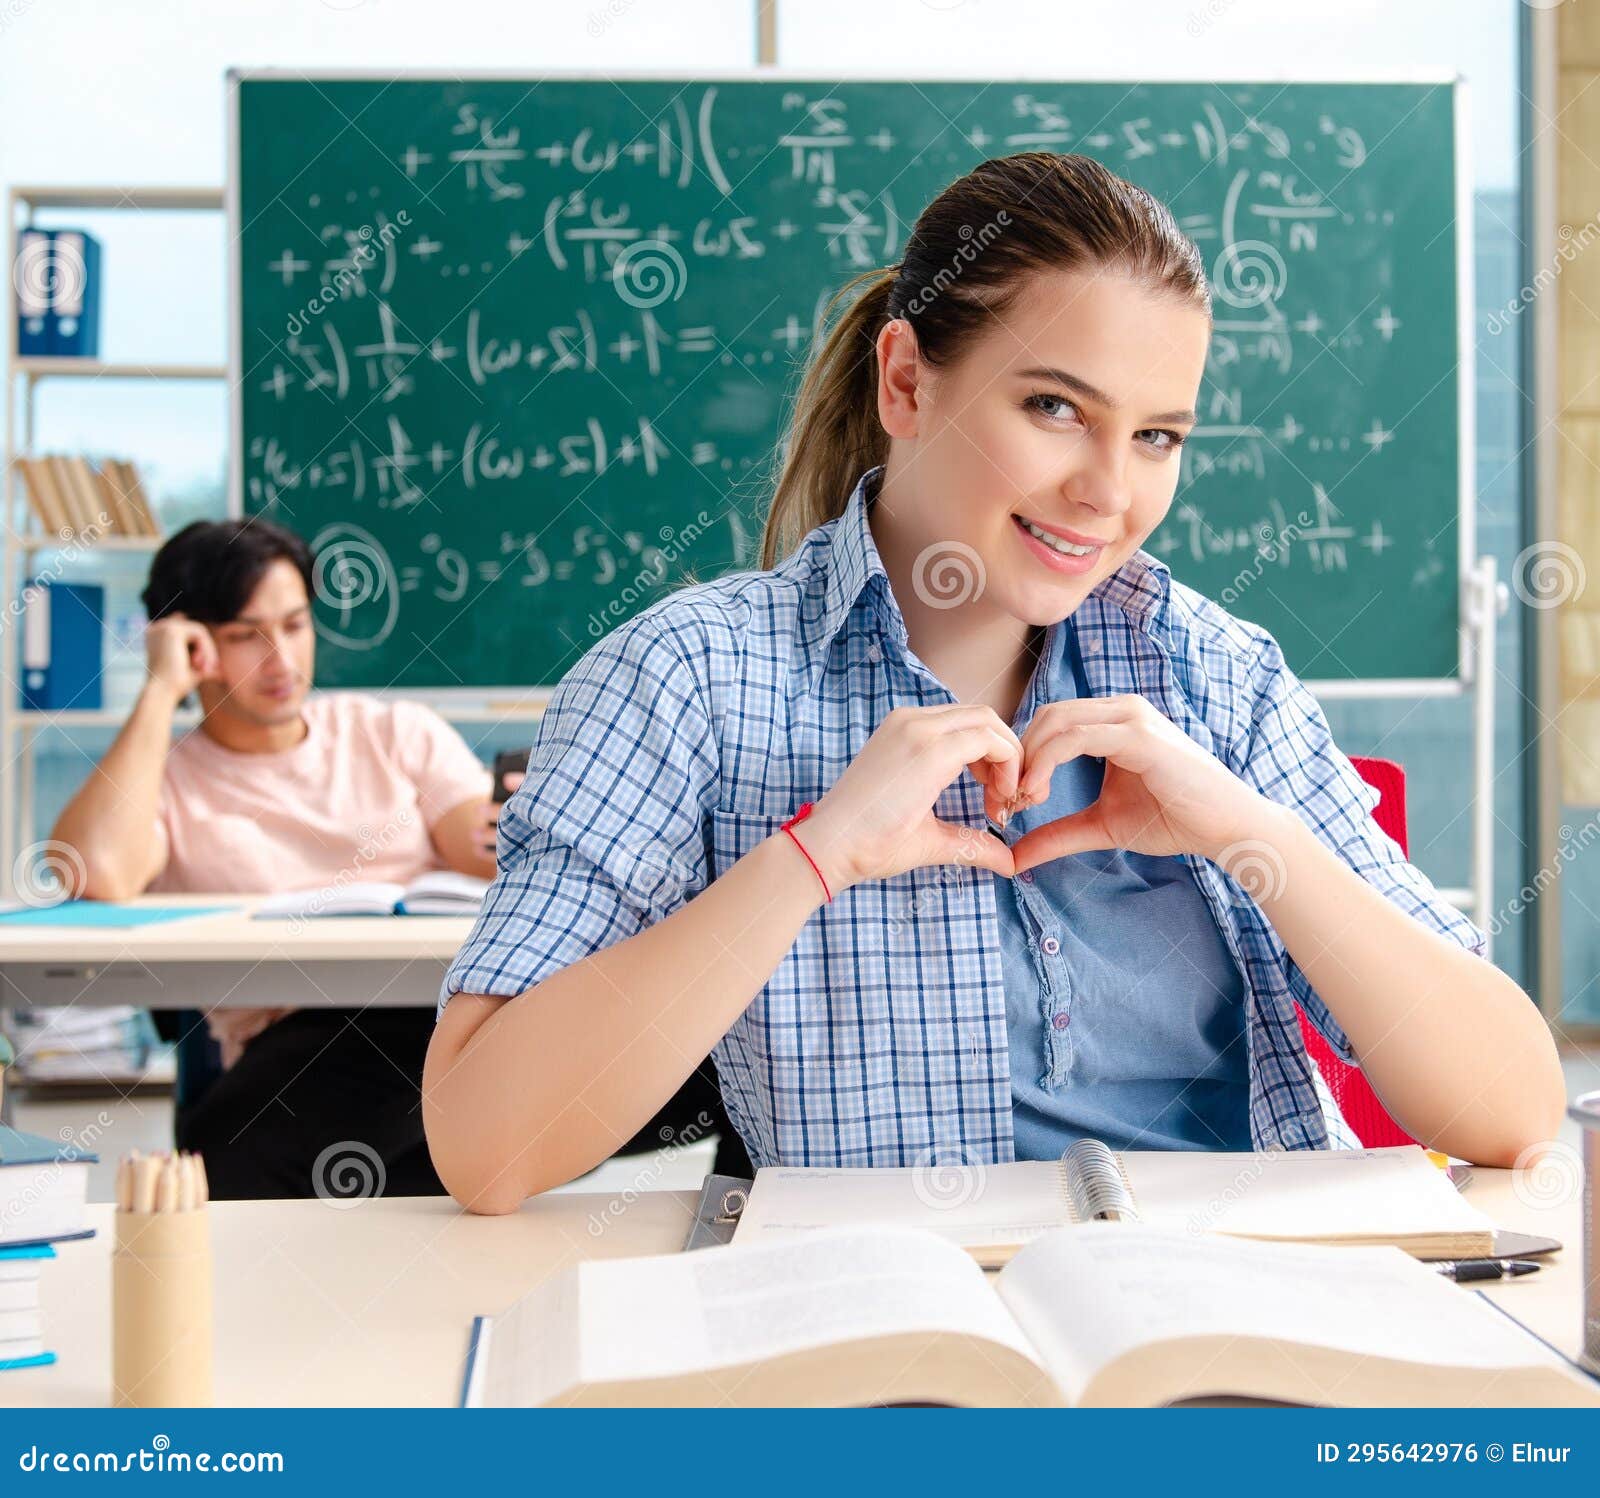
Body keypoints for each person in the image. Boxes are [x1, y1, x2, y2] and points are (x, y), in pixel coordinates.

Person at [424, 152, 1564, 1214]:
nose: (1107, 491)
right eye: (1055, 408)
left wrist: (1243, 831)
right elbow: (485, 1147)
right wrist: (813, 857)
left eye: (1158, 436)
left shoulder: (1221, 679)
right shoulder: (688, 679)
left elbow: (1512, 1110)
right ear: (906, 383)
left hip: (1234, 1308)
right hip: (901, 1322)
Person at [48, 518, 505, 1198]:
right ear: (192, 643)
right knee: (231, 1156)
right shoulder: (162, 781)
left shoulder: (393, 731)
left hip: (440, 1003)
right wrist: (159, 690)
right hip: (300, 1044)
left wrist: (528, 819)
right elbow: (94, 871)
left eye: (294, 626)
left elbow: (484, 848)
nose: (281, 659)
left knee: (677, 1048)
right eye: (245, 636)